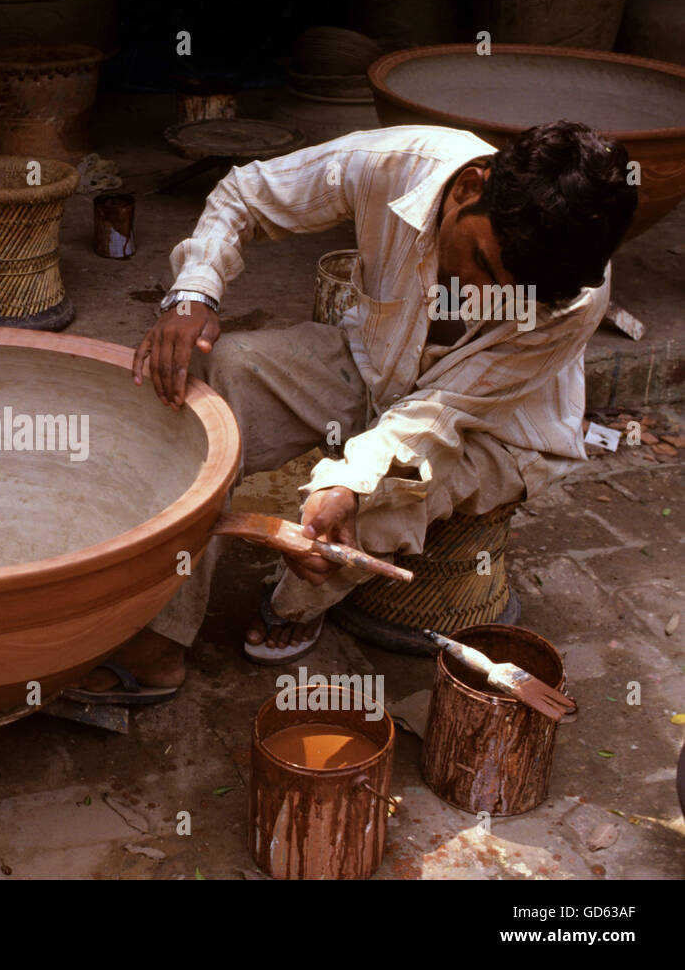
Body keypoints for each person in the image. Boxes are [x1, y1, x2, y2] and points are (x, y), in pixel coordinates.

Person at [69, 120, 637, 702]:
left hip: (496, 428)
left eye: (510, 293)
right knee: (217, 379)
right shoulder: (392, 163)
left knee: (378, 501)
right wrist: (195, 293)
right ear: (469, 187)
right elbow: (246, 193)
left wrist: (348, 484)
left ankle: (293, 603)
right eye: (482, 265)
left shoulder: (576, 299)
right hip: (372, 365)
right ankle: (161, 638)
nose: (476, 292)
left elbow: (439, 412)